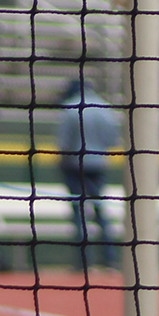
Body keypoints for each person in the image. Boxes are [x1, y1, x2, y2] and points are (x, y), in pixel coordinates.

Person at [56, 78, 122, 272]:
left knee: (79, 214)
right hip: (99, 165)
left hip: (74, 166)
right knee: (101, 211)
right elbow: (113, 140)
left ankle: (84, 262)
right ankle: (110, 259)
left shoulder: (70, 108)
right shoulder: (105, 109)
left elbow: (64, 143)